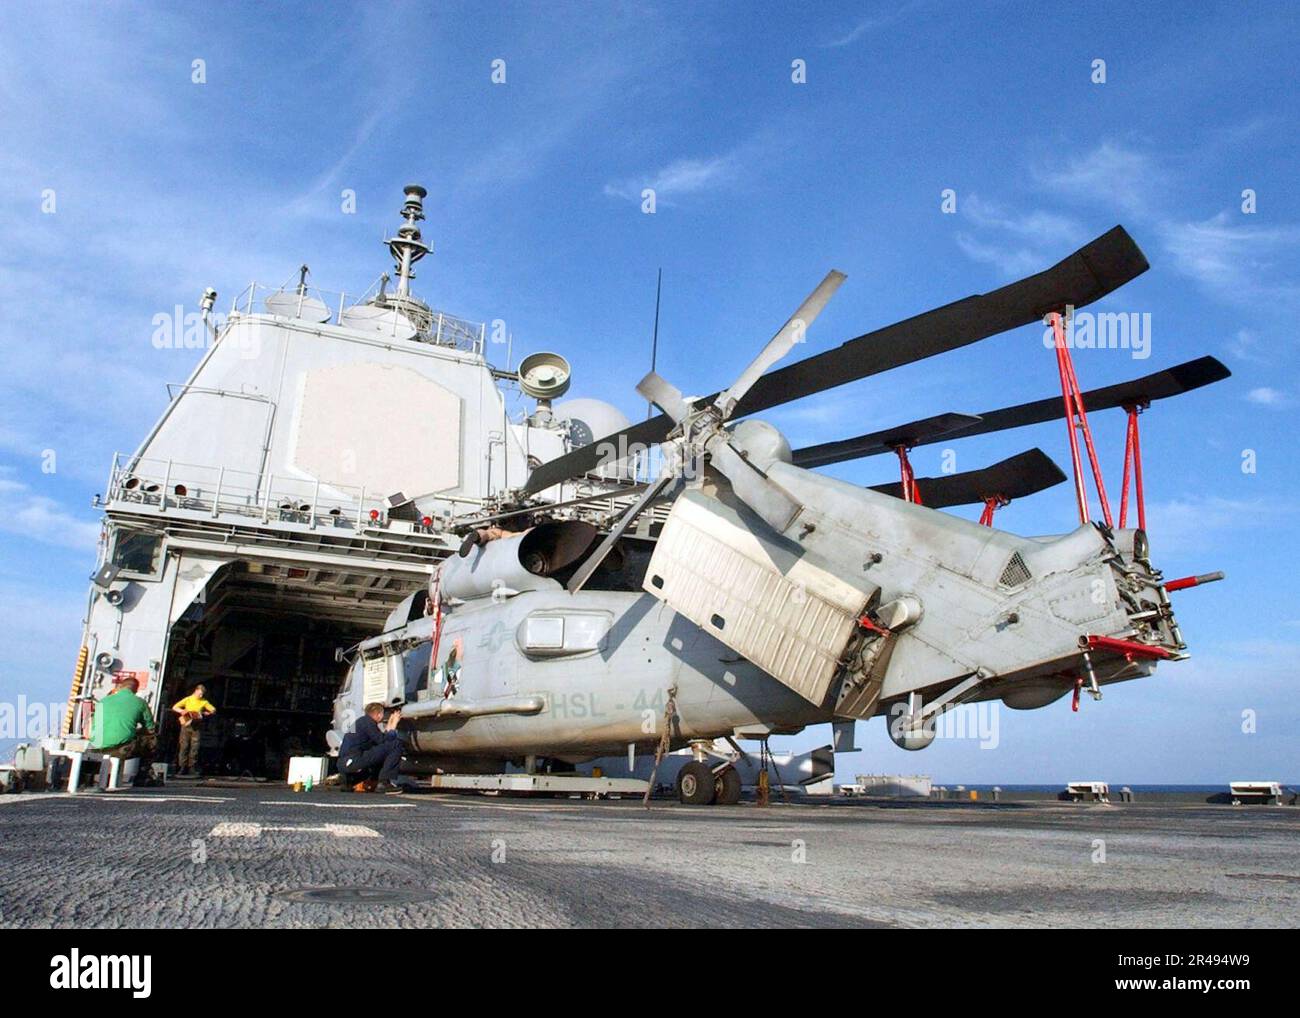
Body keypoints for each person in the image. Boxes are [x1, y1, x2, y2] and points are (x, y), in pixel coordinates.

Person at [89, 676, 156, 787]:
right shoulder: (140, 702)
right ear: (136, 690)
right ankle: (142, 777)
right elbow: (150, 728)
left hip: (97, 747)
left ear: (120, 687)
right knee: (152, 741)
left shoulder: (103, 701)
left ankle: (90, 779)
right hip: (120, 749)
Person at [337, 703, 405, 792]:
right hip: (354, 761)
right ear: (379, 714)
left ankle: (350, 781)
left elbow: (380, 742)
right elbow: (383, 741)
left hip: (343, 764)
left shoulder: (360, 722)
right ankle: (384, 783)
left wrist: (390, 724)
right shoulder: (368, 722)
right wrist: (394, 724)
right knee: (396, 744)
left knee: (381, 750)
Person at [171, 683, 217, 776]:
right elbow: (175, 707)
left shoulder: (204, 701)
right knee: (184, 746)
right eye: (199, 694)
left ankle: (192, 767)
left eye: (202, 694)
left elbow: (213, 709)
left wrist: (208, 712)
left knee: (194, 747)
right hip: (186, 725)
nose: (200, 696)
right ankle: (182, 767)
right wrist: (182, 711)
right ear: (195, 691)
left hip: (196, 726)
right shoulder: (188, 699)